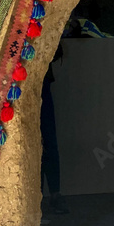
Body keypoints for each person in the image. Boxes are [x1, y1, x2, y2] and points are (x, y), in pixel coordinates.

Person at [40, 44, 69, 215]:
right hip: (20, 87)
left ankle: (55, 194)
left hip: (42, 85)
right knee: (32, 147)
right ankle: (38, 196)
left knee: (49, 142)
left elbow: (57, 50)